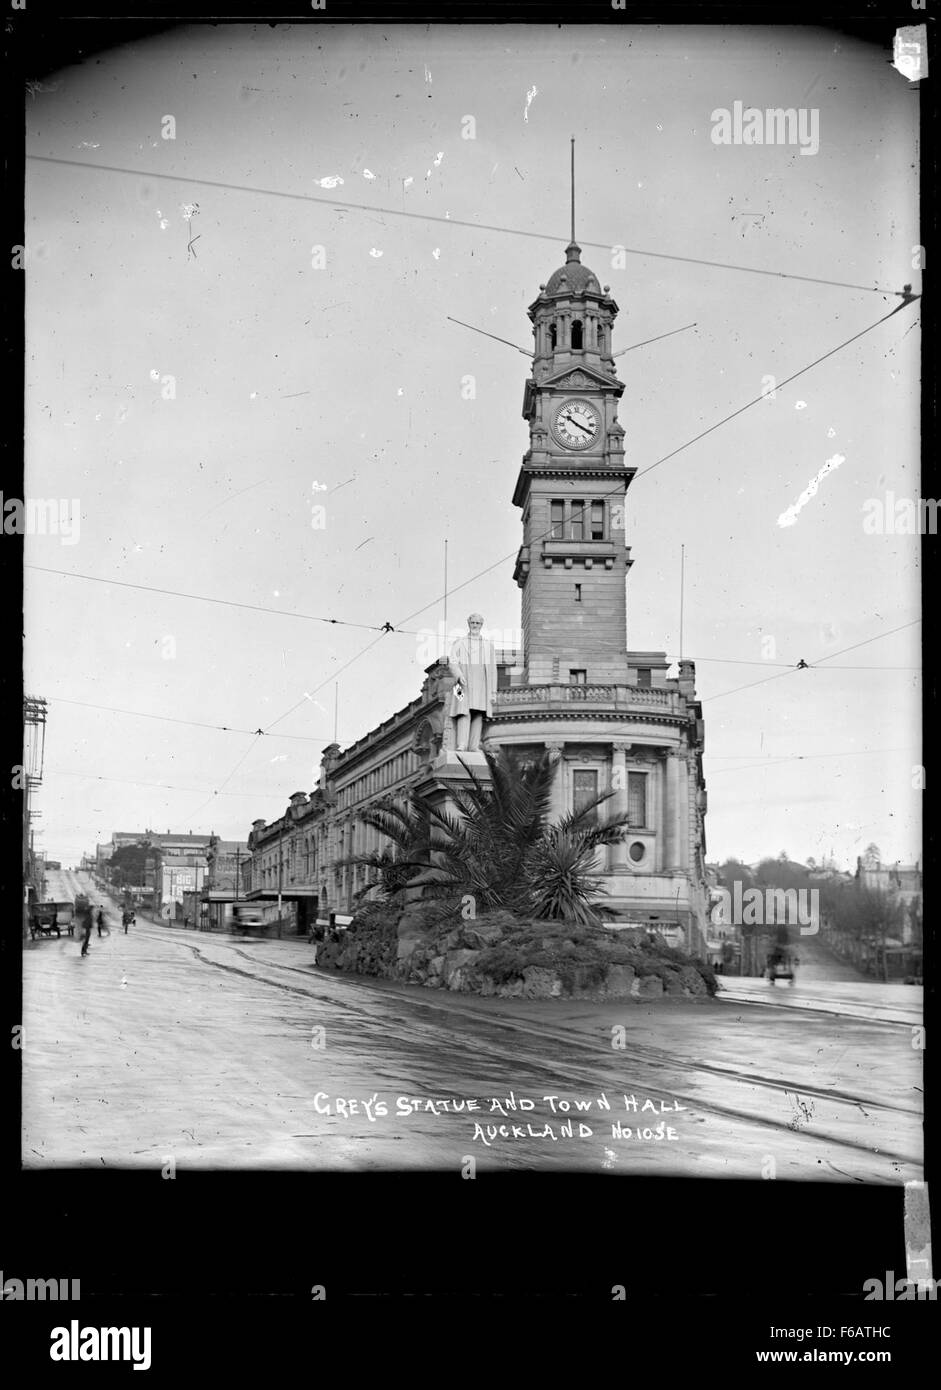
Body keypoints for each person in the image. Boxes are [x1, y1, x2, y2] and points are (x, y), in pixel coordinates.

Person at [448, 613, 498, 752]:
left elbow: (493, 669)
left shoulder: (488, 645)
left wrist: (493, 692)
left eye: (478, 623)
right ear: (468, 624)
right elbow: (452, 662)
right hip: (461, 684)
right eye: (473, 623)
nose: (475, 625)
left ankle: (474, 746)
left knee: (478, 712)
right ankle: (462, 744)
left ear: (481, 625)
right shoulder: (459, 642)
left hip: (482, 683)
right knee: (462, 712)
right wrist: (458, 675)